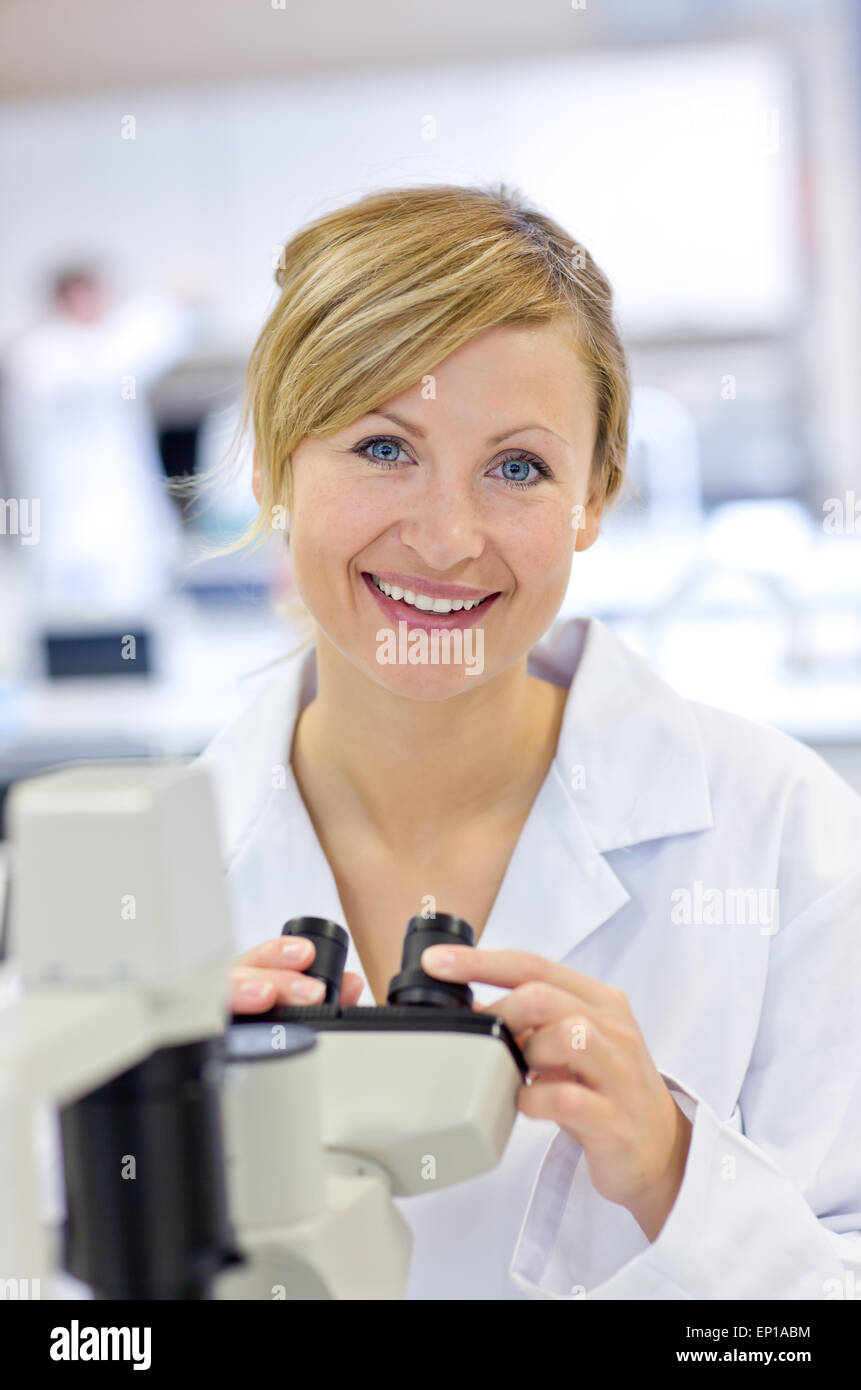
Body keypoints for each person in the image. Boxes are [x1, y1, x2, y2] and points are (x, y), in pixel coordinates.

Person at [193, 183, 861, 1300]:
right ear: (270, 465)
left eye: (517, 468)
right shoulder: (152, 883)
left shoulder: (786, 835)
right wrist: (152, 1168)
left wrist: (674, 1171)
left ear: (593, 497)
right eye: (382, 447)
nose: (446, 539)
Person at [1, 265, 197, 622]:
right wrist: (171, 302)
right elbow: (118, 357)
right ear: (66, 299)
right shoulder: (40, 356)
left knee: (136, 617)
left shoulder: (99, 350)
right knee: (77, 625)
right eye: (90, 296)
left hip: (122, 526)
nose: (101, 306)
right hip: (71, 532)